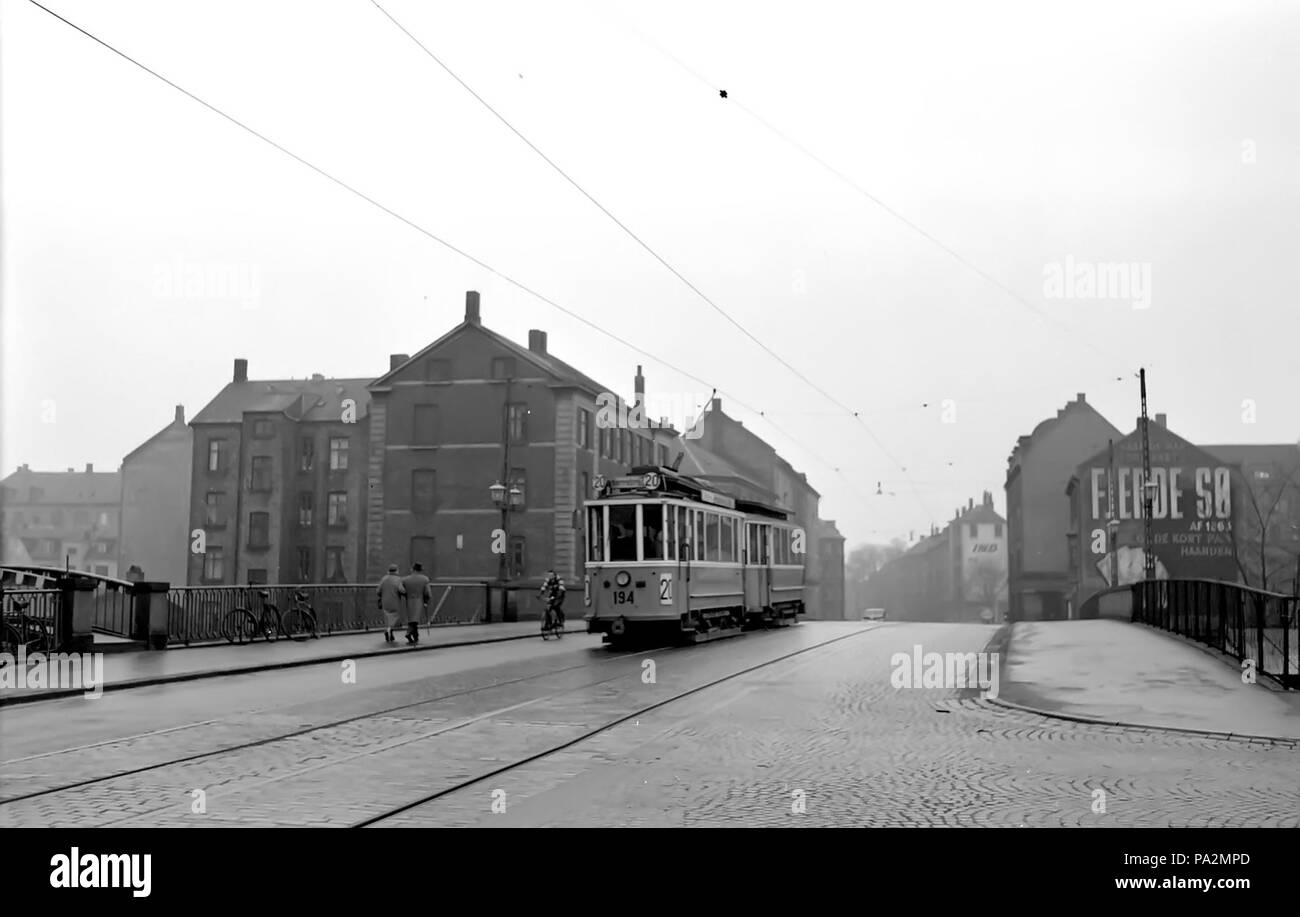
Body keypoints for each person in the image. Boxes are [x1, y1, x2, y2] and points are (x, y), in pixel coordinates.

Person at [401, 562, 432, 645]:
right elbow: (428, 593)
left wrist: (406, 595)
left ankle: (415, 636)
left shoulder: (405, 579)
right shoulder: (425, 579)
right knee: (415, 619)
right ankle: (409, 632)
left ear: (412, 569)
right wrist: (426, 600)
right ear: (420, 570)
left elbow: (401, 590)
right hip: (419, 600)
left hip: (409, 600)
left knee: (412, 618)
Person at [376, 564, 406, 643]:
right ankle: (389, 630)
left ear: (388, 571)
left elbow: (378, 591)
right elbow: (402, 590)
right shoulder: (398, 579)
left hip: (385, 602)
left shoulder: (383, 579)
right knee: (394, 617)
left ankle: (389, 631)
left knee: (387, 617)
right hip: (395, 602)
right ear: (396, 571)